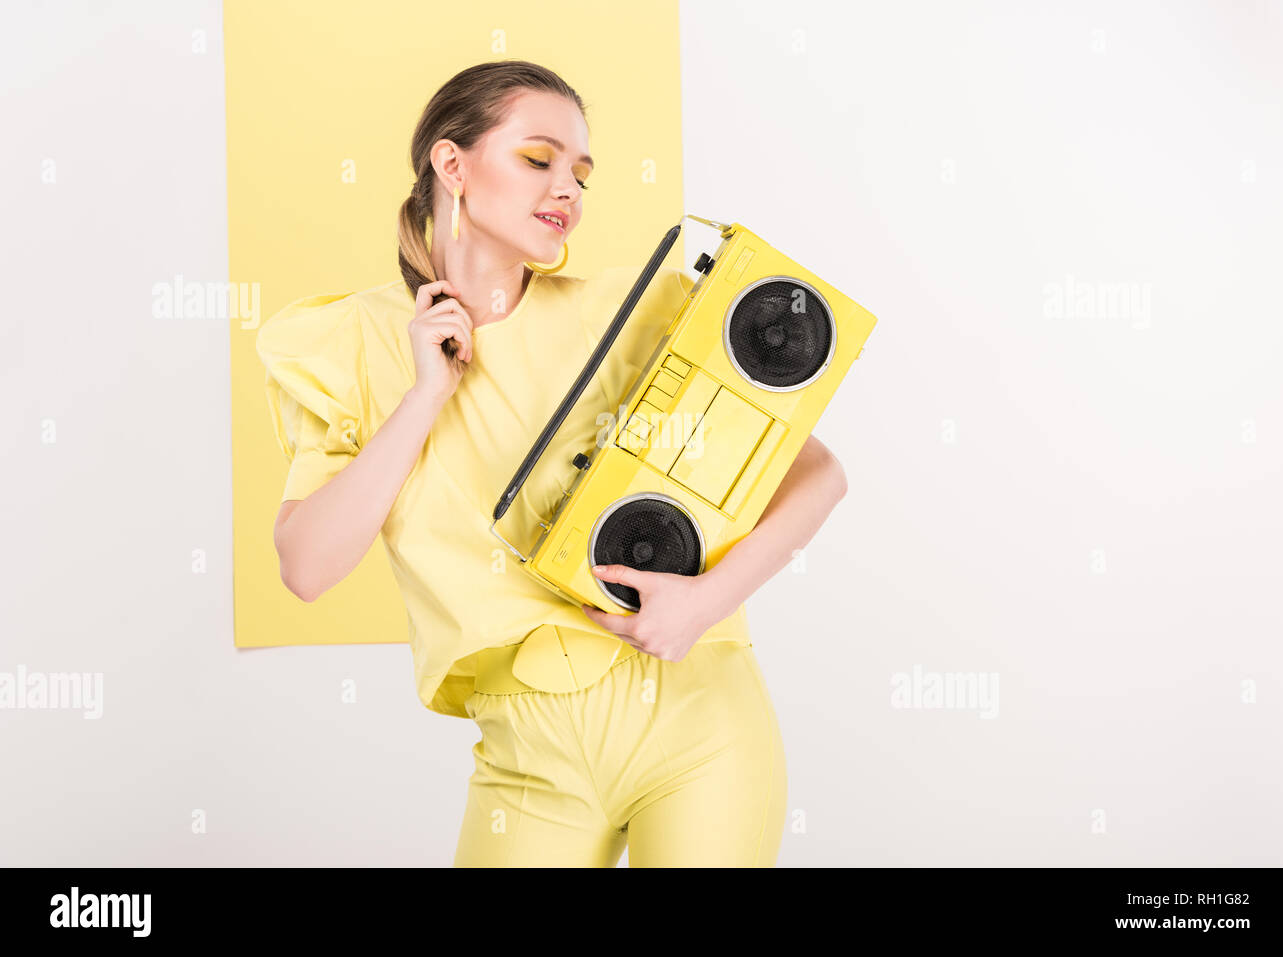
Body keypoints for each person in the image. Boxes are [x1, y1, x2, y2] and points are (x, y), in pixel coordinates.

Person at [255, 60, 848, 867]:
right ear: (451, 164)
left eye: (581, 173)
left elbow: (818, 474)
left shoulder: (634, 308)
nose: (566, 188)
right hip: (527, 760)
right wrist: (426, 395)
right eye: (539, 160)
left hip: (696, 720)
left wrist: (706, 601)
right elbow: (307, 567)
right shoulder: (349, 344)